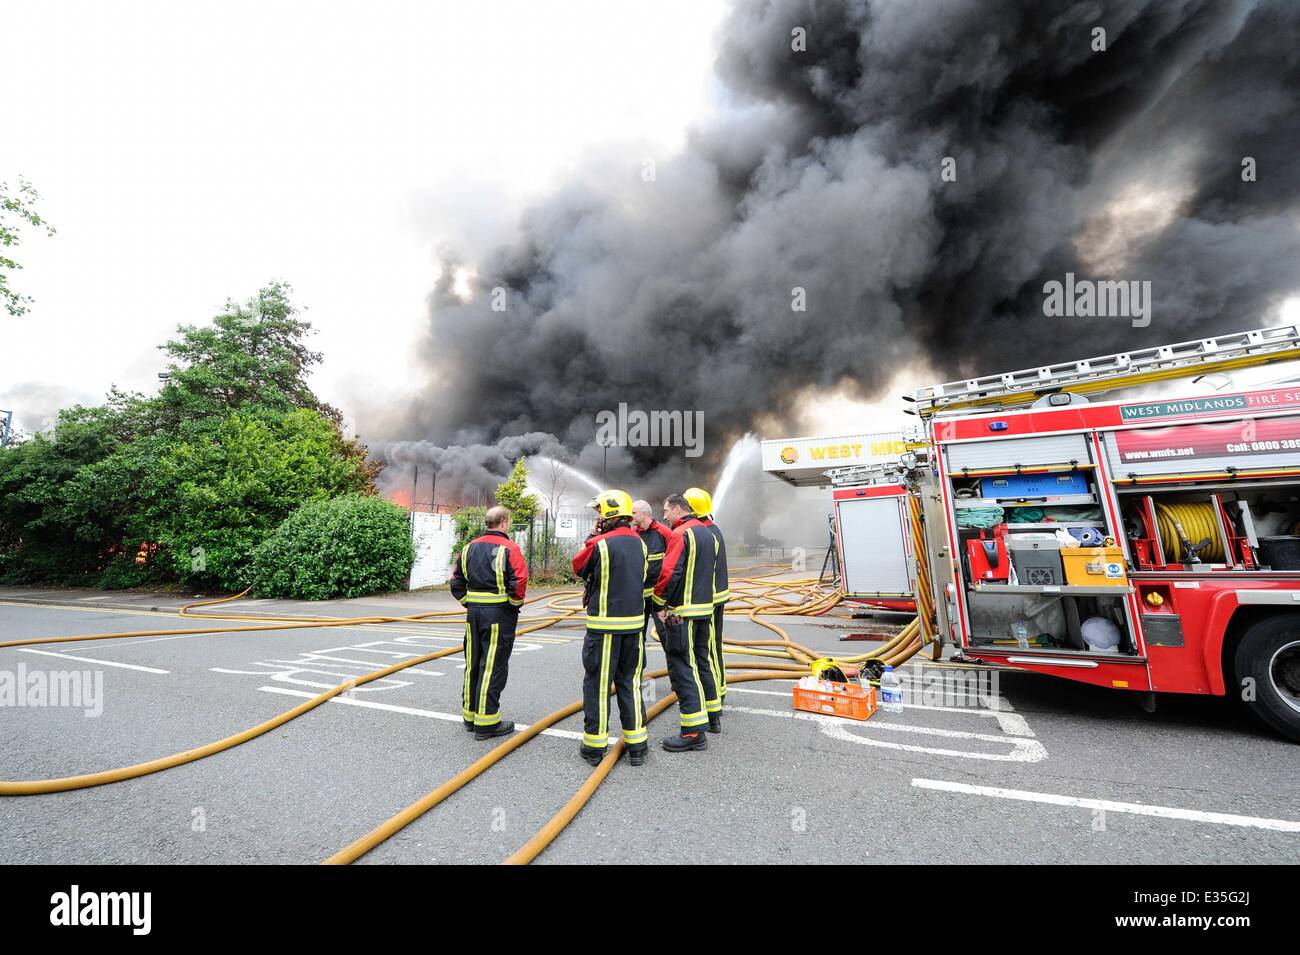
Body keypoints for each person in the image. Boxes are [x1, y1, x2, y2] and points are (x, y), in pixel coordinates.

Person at [572, 490, 652, 766]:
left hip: (603, 628)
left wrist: (592, 536)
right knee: (630, 683)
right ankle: (637, 745)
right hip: (634, 628)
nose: (597, 517)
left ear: (608, 514)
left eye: (599, 513)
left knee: (598, 686)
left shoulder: (599, 544)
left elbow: (578, 566)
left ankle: (594, 748)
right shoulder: (640, 544)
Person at [448, 505, 527, 740]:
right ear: (504, 522)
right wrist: (512, 605)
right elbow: (519, 582)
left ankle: (470, 716)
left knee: (473, 663)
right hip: (498, 616)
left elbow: (455, 581)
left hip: (473, 615)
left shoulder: (469, 548)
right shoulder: (510, 548)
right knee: (492, 666)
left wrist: (468, 603)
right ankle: (486, 723)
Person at [652, 492, 720, 752]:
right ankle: (712, 717)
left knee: (683, 667)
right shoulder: (708, 534)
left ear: (678, 509)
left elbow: (670, 572)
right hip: (705, 610)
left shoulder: (681, 535)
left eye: (667, 511)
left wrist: (659, 604)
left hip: (683, 613)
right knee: (702, 661)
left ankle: (692, 733)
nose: (665, 516)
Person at [684, 486, 729, 723]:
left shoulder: (703, 533)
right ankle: (716, 690)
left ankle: (717, 693)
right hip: (716, 596)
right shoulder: (712, 529)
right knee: (712, 647)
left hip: (709, 599)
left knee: (709, 649)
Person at [632, 499, 672, 646]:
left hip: (659, 596)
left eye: (634, 513)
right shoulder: (633, 534)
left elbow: (674, 563)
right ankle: (637, 667)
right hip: (639, 596)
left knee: (666, 635)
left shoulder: (664, 533)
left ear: (645, 514)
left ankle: (675, 667)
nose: (630, 516)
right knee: (636, 637)